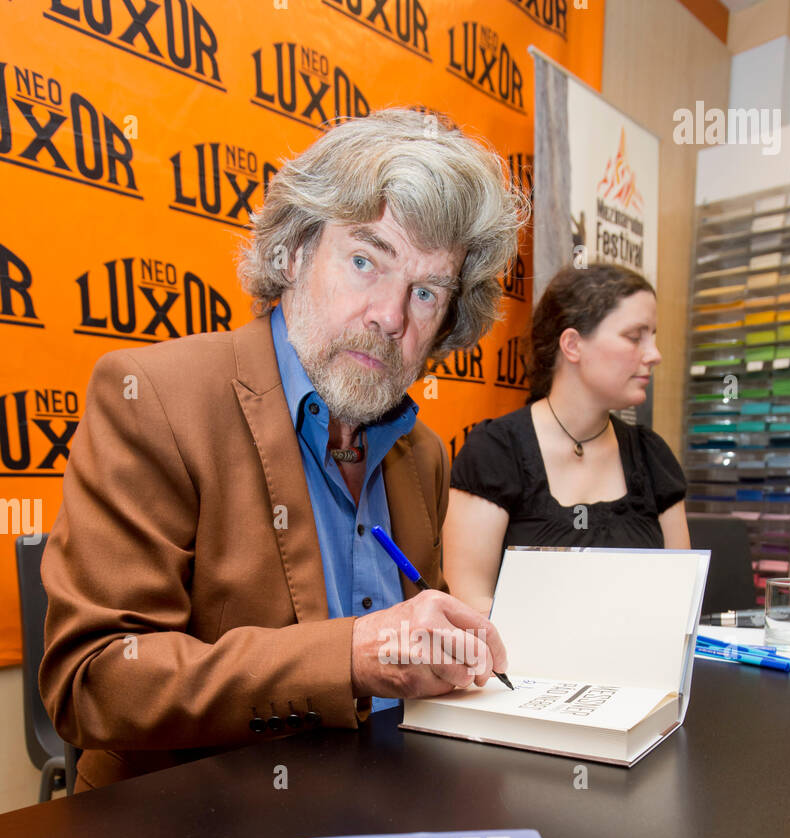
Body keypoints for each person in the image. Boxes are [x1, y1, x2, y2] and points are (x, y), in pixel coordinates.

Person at [39, 109, 526, 790]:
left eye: (425, 291)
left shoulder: (419, 451)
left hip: (388, 802)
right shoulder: (152, 396)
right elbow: (94, 682)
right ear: (293, 253)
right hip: (193, 830)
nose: (390, 317)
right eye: (364, 260)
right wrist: (351, 655)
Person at [443, 263, 690, 614]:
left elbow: (679, 599)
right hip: (519, 666)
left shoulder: (653, 458)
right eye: (635, 337)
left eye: (652, 337)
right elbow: (467, 603)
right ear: (572, 345)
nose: (654, 354)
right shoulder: (495, 453)